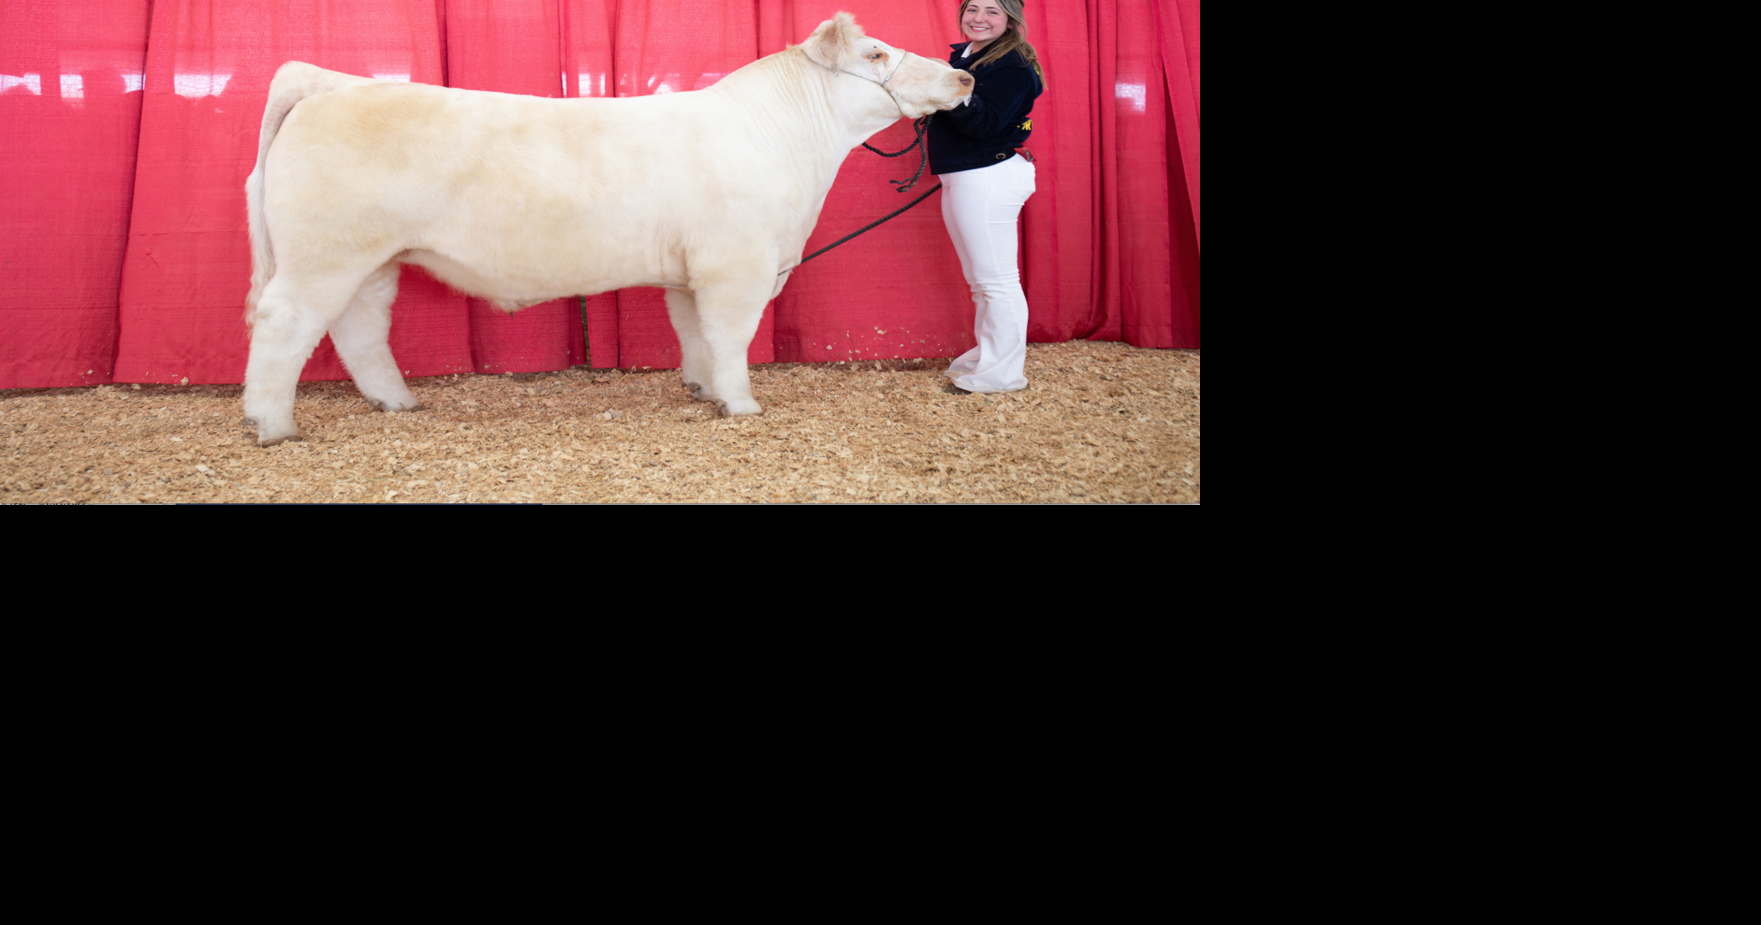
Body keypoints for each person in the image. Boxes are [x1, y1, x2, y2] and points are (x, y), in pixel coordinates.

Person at [927, 0, 1044, 394]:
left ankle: (1002, 375)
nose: (979, 19)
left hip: (988, 175)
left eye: (992, 11)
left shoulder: (1010, 65)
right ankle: (986, 358)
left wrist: (948, 87)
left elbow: (986, 124)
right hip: (965, 175)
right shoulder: (967, 55)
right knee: (981, 281)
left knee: (996, 281)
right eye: (972, 9)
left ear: (1010, 19)